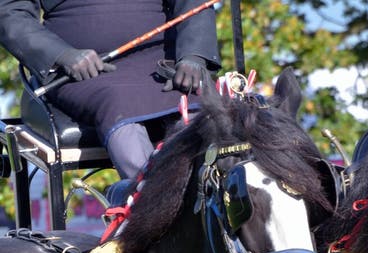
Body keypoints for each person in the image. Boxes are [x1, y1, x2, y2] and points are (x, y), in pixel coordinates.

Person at [0, 0, 221, 180]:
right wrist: (61, 55)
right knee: (119, 104)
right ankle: (150, 201)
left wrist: (194, 55)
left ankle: (209, 204)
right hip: (82, 71)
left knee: (202, 109)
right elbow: (11, 12)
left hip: (163, 64)